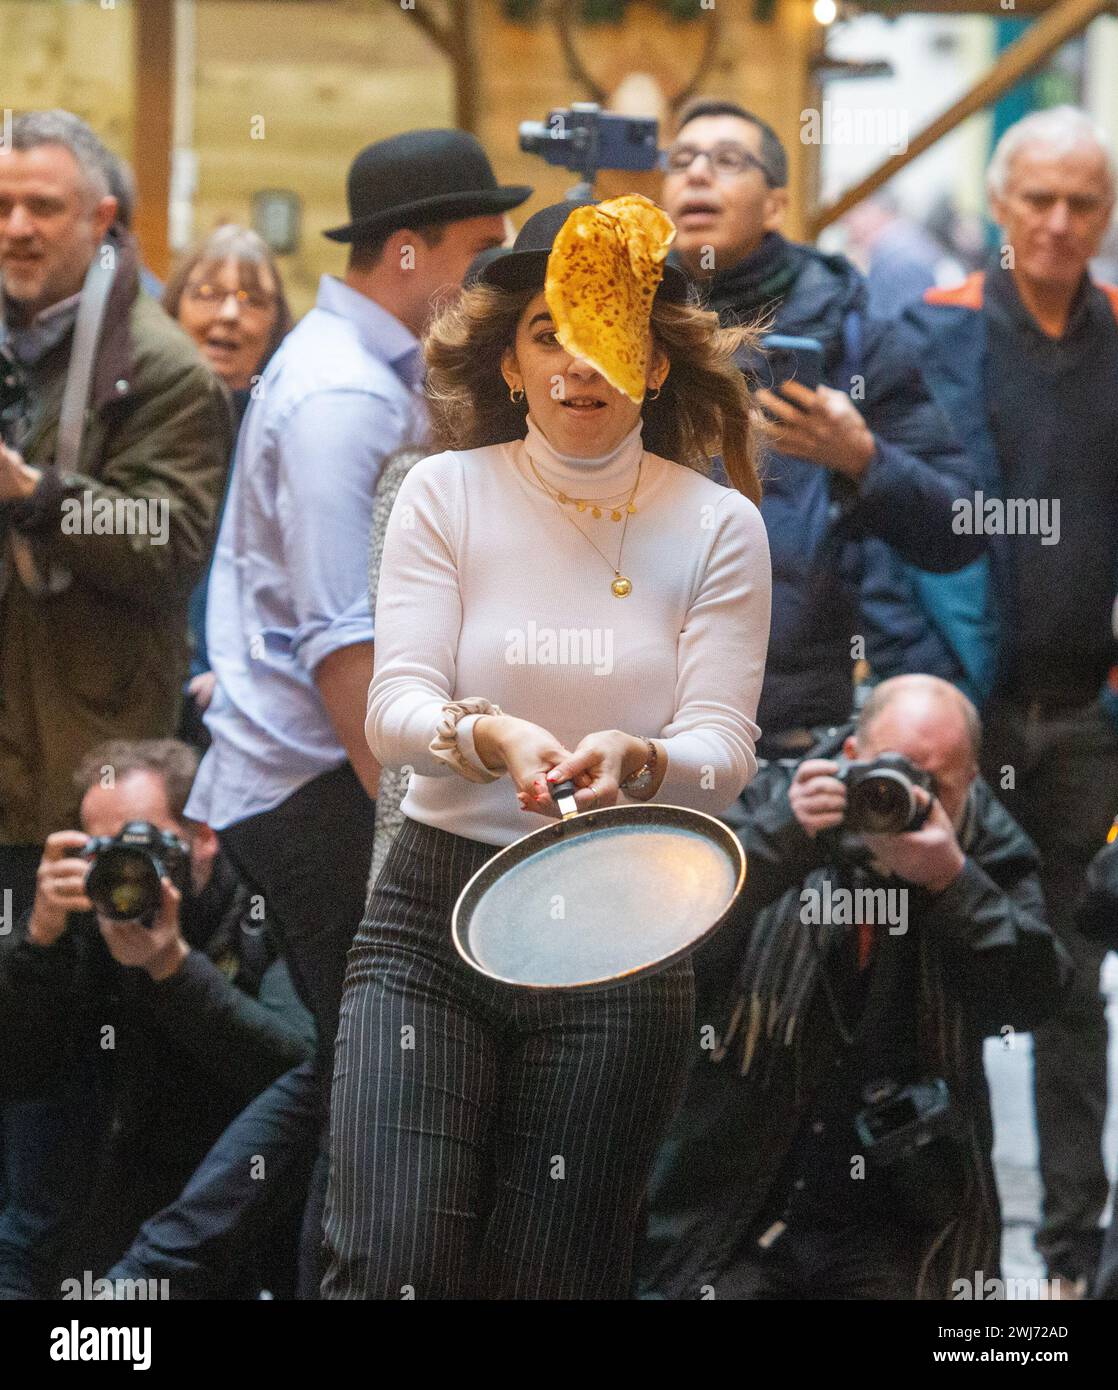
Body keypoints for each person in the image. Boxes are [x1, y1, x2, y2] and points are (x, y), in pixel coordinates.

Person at [321, 196, 772, 1299]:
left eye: (610, 335)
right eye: (547, 334)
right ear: (511, 365)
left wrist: (642, 758)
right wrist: (488, 735)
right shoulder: (444, 492)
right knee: (395, 1263)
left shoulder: (718, 525)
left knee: (550, 1280)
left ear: (656, 366)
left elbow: (724, 748)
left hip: (624, 931)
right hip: (431, 918)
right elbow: (396, 710)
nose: (579, 364)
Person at [185, 129, 530, 1290]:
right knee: (376, 1086)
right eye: (483, 253)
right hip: (315, 784)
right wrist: (409, 823)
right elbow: (343, 638)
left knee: (354, 1074)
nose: (497, 278)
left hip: (319, 775)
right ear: (404, 252)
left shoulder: (359, 370)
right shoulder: (339, 394)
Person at [636, 675, 1071, 1299]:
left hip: (901, 1215)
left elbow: (1036, 998)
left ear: (973, 779)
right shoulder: (772, 803)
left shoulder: (985, 842)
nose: (907, 797)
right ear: (849, 757)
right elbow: (666, 951)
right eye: (889, 773)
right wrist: (779, 844)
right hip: (737, 1193)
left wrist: (953, 882)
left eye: (936, 786)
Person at [902, 106, 1118, 1296]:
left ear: (1105, 213)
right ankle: (957, 1239)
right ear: (997, 204)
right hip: (964, 713)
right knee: (947, 972)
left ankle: (1074, 1251)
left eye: (1080, 203)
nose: (1053, 222)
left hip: (1083, 712)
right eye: (1035, 198)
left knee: (1075, 981)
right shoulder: (933, 333)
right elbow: (887, 521)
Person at [659, 98, 984, 755]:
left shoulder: (854, 329)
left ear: (776, 203)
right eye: (682, 161)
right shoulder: (625, 324)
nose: (697, 176)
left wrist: (863, 457)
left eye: (726, 161)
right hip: (639, 718)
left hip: (792, 729)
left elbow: (962, 526)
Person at [0, 110, 233, 918]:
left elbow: (164, 542)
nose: (18, 229)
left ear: (101, 218)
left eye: (44, 207)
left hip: (82, 771)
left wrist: (33, 494)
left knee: (68, 1026)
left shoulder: (162, 369)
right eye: (1, 208)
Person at [0, 739, 314, 1299]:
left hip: (231, 1205)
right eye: (104, 849)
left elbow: (297, 1073)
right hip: (96, 1198)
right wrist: (37, 940)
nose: (126, 870)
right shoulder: (76, 915)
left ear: (204, 837)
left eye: (142, 843)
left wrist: (172, 966)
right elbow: (20, 1073)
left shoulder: (260, 909)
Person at [162, 225, 294, 738]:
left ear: (277, 323)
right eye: (207, 295)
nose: (229, 315)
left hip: (242, 697)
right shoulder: (139, 412)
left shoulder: (285, 424)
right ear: (172, 309)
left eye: (252, 300)